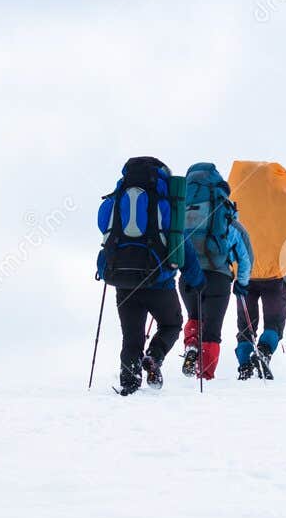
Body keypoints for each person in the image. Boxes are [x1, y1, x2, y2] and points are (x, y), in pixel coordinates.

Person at [96, 156, 183, 395]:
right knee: (172, 323)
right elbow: (178, 237)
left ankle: (129, 380)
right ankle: (154, 356)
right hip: (159, 280)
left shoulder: (118, 193)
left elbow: (103, 223)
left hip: (122, 277)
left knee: (131, 335)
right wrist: (194, 277)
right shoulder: (166, 199)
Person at [226, 160, 286, 380]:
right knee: (274, 322)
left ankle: (244, 365)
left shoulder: (236, 207)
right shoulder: (280, 211)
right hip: (274, 276)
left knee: (246, 324)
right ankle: (263, 351)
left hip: (245, 274)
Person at [176, 163, 253, 381]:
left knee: (194, 316)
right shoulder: (225, 213)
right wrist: (242, 282)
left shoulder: (182, 209)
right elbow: (245, 254)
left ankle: (191, 346)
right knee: (212, 329)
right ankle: (205, 374)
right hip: (219, 278)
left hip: (189, 276)